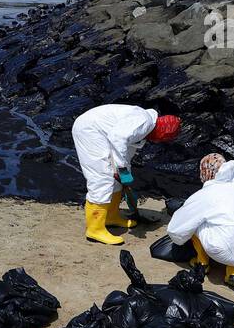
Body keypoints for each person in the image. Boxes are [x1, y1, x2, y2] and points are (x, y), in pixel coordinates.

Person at [71, 103, 181, 246]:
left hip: (103, 133)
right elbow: (118, 139)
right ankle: (95, 229)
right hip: (89, 130)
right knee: (101, 178)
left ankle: (111, 217)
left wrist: (124, 172)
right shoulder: (143, 122)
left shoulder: (143, 127)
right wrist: (121, 169)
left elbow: (126, 152)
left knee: (114, 178)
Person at [166, 153, 234, 289]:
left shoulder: (208, 193)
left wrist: (178, 238)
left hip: (221, 251)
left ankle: (202, 263)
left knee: (195, 221)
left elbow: (178, 228)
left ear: (206, 172)